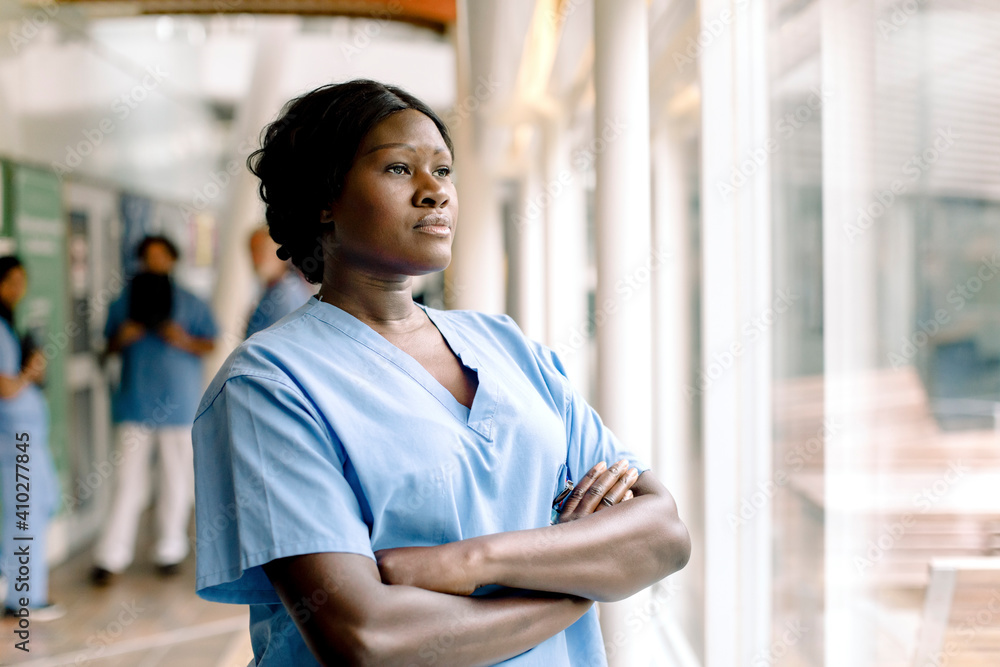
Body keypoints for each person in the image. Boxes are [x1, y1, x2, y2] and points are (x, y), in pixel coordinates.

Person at [192, 79, 691, 665]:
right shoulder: (269, 385)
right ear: (325, 198)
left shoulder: (506, 346)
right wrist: (581, 579)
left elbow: (663, 534)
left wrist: (470, 562)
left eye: (444, 170)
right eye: (400, 170)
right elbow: (368, 639)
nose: (435, 193)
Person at [91, 236, 218, 585]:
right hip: (135, 402)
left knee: (175, 480)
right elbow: (106, 345)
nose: (155, 262)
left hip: (178, 404)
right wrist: (123, 336)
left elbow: (211, 340)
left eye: (161, 256)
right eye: (148, 257)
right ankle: (111, 556)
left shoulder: (190, 301)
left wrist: (184, 340)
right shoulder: (125, 300)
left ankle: (169, 550)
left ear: (173, 260)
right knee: (127, 482)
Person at [0, 256, 64, 620]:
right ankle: (22, 599)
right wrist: (30, 372)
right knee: (24, 513)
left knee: (39, 505)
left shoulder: (9, 325)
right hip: (15, 439)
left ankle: (23, 588)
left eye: (21, 281)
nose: (17, 289)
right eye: (10, 281)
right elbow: (5, 386)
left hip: (27, 438)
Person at [244, 227, 314, 338]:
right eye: (252, 251)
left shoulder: (287, 293)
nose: (256, 259)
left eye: (261, 250)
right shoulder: (271, 289)